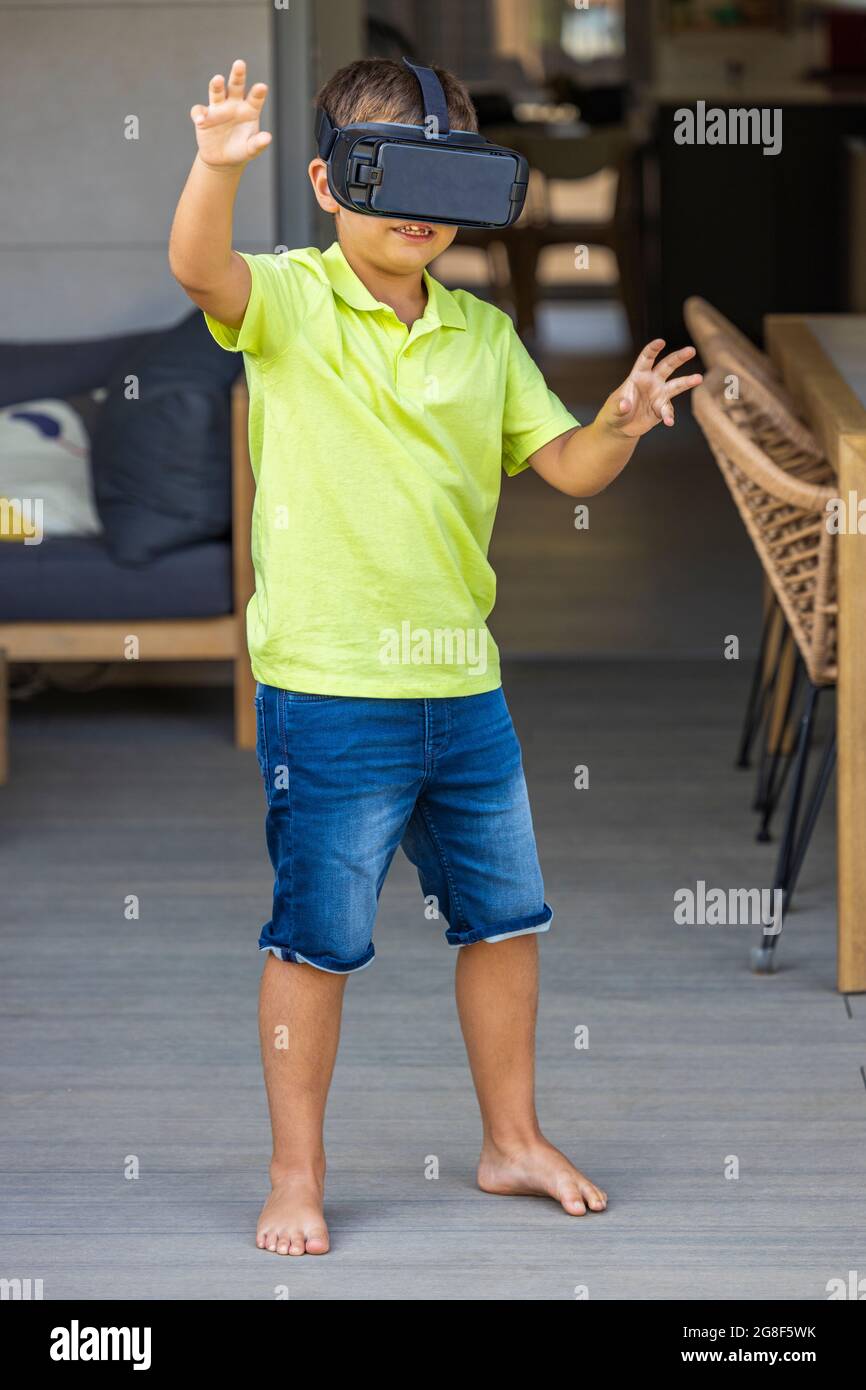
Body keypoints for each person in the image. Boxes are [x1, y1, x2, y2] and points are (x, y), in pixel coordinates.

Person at [169, 56, 701, 1257]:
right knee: (317, 936)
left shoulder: (486, 336)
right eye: (386, 173)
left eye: (443, 175)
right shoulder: (292, 304)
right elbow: (200, 269)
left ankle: (510, 1139)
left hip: (463, 689)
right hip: (330, 691)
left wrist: (614, 426)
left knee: (503, 920)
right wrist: (212, 167)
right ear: (325, 182)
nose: (417, 203)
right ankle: (294, 1172)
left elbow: (562, 470)